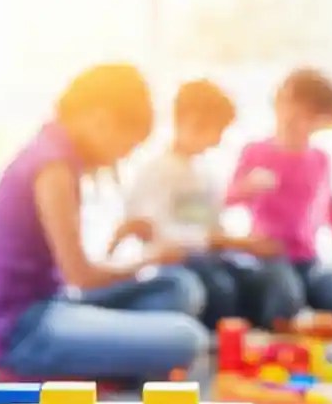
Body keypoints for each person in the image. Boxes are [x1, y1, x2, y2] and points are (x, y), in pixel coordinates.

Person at [0, 64, 209, 380]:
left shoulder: (56, 152)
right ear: (101, 121)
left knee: (178, 287)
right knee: (186, 337)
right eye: (128, 145)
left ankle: (113, 357)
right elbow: (80, 275)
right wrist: (150, 258)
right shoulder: (53, 166)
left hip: (53, 301)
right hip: (19, 329)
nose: (122, 157)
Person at [113, 79, 263, 329]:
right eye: (214, 130)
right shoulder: (157, 171)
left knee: (253, 277)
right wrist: (215, 240)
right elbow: (157, 232)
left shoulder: (204, 173)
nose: (216, 140)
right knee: (219, 288)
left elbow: (211, 222)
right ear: (189, 122)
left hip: (209, 256)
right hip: (173, 260)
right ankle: (213, 346)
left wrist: (235, 240)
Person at [224, 68, 332, 329]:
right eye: (291, 109)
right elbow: (228, 199)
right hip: (269, 255)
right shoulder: (256, 152)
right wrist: (248, 187)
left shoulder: (320, 159)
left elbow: (331, 209)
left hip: (308, 257)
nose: (297, 122)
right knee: (285, 297)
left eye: (308, 116)